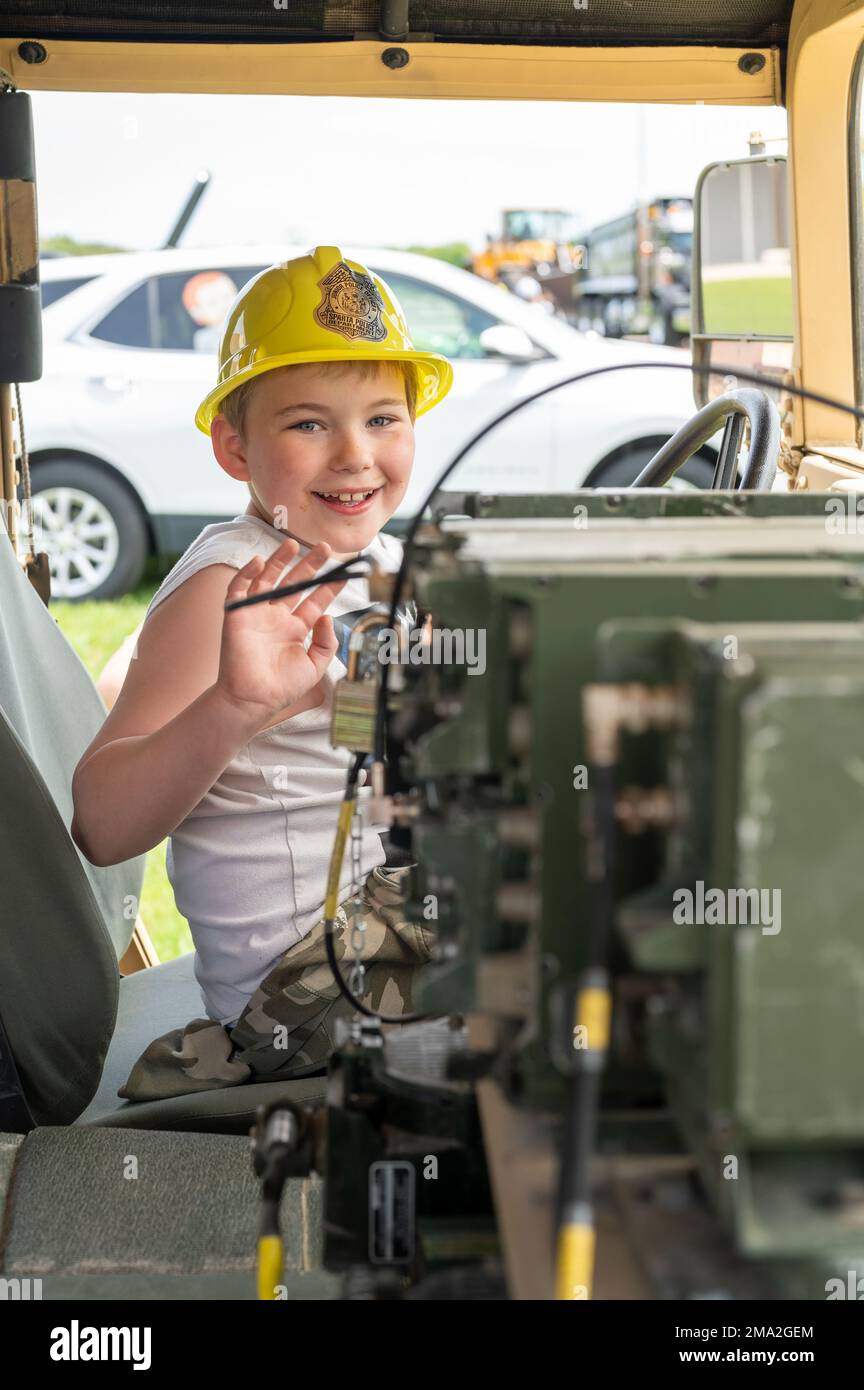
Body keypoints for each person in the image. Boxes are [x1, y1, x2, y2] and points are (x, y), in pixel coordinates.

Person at [71, 245, 454, 1100]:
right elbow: (100, 823)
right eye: (310, 423)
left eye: (384, 419)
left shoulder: (380, 564)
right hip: (304, 989)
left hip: (383, 920)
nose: (356, 454)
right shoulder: (229, 585)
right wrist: (234, 706)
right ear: (233, 446)